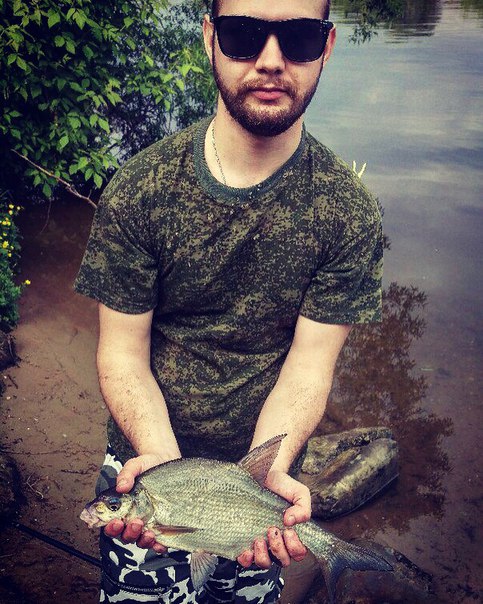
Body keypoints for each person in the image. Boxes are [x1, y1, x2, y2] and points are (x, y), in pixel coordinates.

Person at [75, 0, 383, 602]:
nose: (270, 61)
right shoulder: (141, 189)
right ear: (210, 37)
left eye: (298, 39)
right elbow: (122, 353)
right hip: (145, 467)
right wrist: (159, 460)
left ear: (326, 46)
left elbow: (308, 368)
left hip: (261, 486)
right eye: (244, 34)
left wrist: (273, 469)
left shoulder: (348, 213)